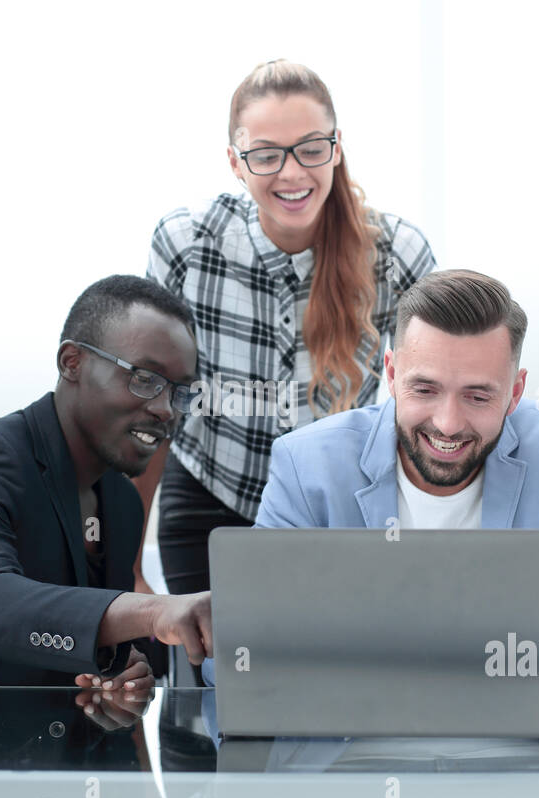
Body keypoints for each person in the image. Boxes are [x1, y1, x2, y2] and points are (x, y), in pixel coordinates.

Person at [251, 269, 539, 697]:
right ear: (390, 373)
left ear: (515, 392)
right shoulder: (306, 463)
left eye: (477, 396)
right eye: (424, 389)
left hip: (521, 745)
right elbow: (243, 650)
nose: (448, 423)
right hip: (351, 747)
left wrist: (481, 678)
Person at [143, 59, 437, 601]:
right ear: (235, 162)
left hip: (337, 506)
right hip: (210, 502)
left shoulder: (399, 254)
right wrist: (130, 567)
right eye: (266, 155)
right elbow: (148, 406)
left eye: (310, 147)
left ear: (337, 146)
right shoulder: (185, 244)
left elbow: (430, 401)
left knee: (335, 676)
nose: (292, 172)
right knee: (221, 678)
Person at [0, 275, 213, 691]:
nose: (165, 409)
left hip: (72, 753)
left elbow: (85, 657)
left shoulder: (122, 502)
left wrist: (115, 679)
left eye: (180, 393)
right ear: (72, 362)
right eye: (144, 378)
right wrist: (153, 611)